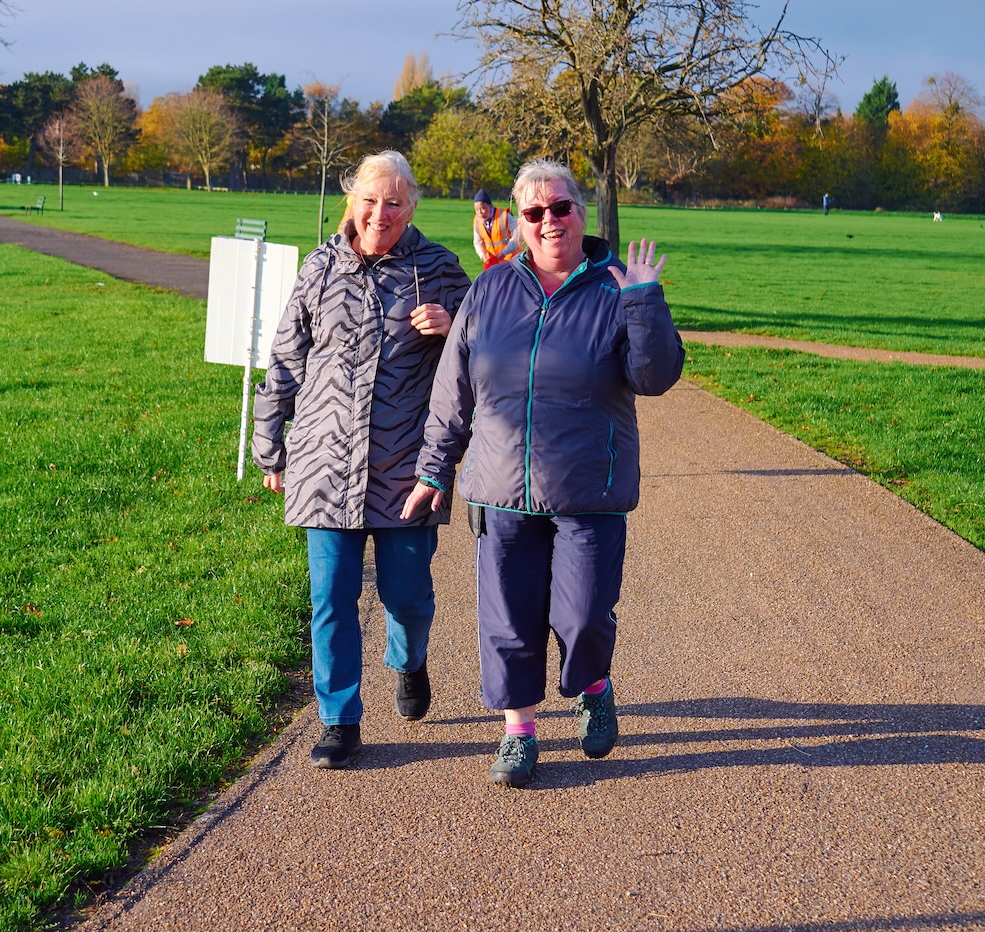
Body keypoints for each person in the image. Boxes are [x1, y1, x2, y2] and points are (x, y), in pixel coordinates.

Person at [401, 159, 685, 787]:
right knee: (508, 616)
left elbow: (655, 377)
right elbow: (454, 391)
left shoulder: (616, 287)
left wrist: (643, 300)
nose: (549, 221)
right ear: (518, 223)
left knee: (582, 615)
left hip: (590, 488)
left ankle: (593, 683)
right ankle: (519, 733)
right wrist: (434, 471)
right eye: (534, 213)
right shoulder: (491, 289)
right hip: (501, 487)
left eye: (561, 208)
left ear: (581, 213)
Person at [254, 150, 472, 769]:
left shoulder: (439, 269)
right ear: (352, 200)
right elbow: (285, 360)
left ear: (412, 208)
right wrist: (269, 444)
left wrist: (453, 325)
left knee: (406, 597)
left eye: (395, 202)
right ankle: (339, 720)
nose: (381, 213)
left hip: (404, 469)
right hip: (324, 463)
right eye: (371, 200)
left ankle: (409, 659)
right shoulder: (319, 267)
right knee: (332, 597)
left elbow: (481, 357)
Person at [472, 188, 521, 270]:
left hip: (512, 261)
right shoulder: (477, 221)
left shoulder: (504, 216)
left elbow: (518, 234)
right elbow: (477, 242)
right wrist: (482, 255)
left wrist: (504, 252)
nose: (480, 212)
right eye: (477, 209)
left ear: (490, 206)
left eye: (483, 208)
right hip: (492, 263)